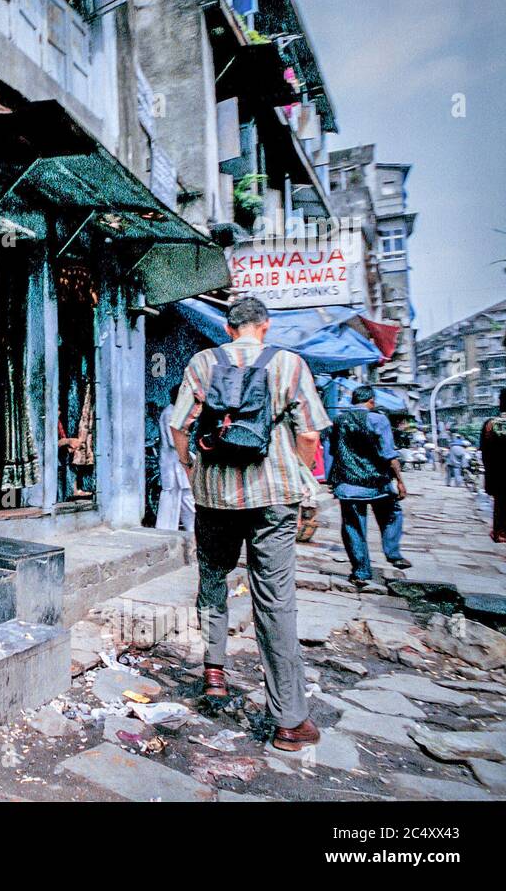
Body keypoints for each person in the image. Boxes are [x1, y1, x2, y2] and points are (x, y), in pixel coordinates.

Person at [169, 296, 331, 752]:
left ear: (227, 327)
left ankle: (215, 672)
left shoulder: (203, 361)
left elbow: (179, 425)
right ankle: (288, 720)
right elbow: (311, 433)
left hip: (214, 496)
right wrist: (297, 478)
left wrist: (188, 465)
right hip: (273, 496)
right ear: (266, 325)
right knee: (275, 599)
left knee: (213, 578)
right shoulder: (288, 363)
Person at [326, 386, 412, 585]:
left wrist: (332, 480)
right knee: (392, 515)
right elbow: (389, 454)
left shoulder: (338, 421)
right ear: (371, 401)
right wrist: (400, 480)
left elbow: (332, 453)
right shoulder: (378, 419)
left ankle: (361, 572)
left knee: (353, 527)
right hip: (377, 483)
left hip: (348, 484)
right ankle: (393, 553)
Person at [156, 384, 195, 532]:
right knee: (174, 496)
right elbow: (174, 442)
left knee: (183, 496)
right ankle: (166, 529)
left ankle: (191, 528)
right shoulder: (170, 413)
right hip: (173, 462)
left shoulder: (173, 412)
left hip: (175, 462)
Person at [481, 388, 506, 542]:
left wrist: (489, 471)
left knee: (499, 502)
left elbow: (484, 452)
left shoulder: (490, 424)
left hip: (498, 473)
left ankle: (499, 532)